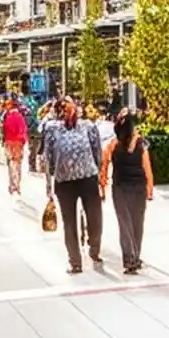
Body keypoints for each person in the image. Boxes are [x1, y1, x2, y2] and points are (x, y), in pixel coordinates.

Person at [44, 99, 103, 273]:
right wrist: (49, 184)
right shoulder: (53, 129)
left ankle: (89, 251)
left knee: (90, 219)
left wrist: (97, 173)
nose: (67, 113)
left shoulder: (87, 127)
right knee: (75, 221)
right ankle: (79, 258)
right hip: (71, 181)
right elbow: (48, 157)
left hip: (81, 179)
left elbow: (96, 151)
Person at [99, 112, 154, 274]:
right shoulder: (141, 144)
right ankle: (135, 256)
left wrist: (102, 185)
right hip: (139, 188)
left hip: (120, 188)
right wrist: (150, 189)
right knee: (137, 223)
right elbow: (147, 167)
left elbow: (104, 165)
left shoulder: (113, 144)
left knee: (125, 224)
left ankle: (129, 258)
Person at [2, 98, 28, 203]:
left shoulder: (7, 117)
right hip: (18, 143)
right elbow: (23, 130)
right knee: (18, 164)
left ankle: (12, 184)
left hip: (9, 142)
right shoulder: (20, 117)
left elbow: (4, 129)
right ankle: (17, 185)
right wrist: (23, 141)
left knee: (11, 163)